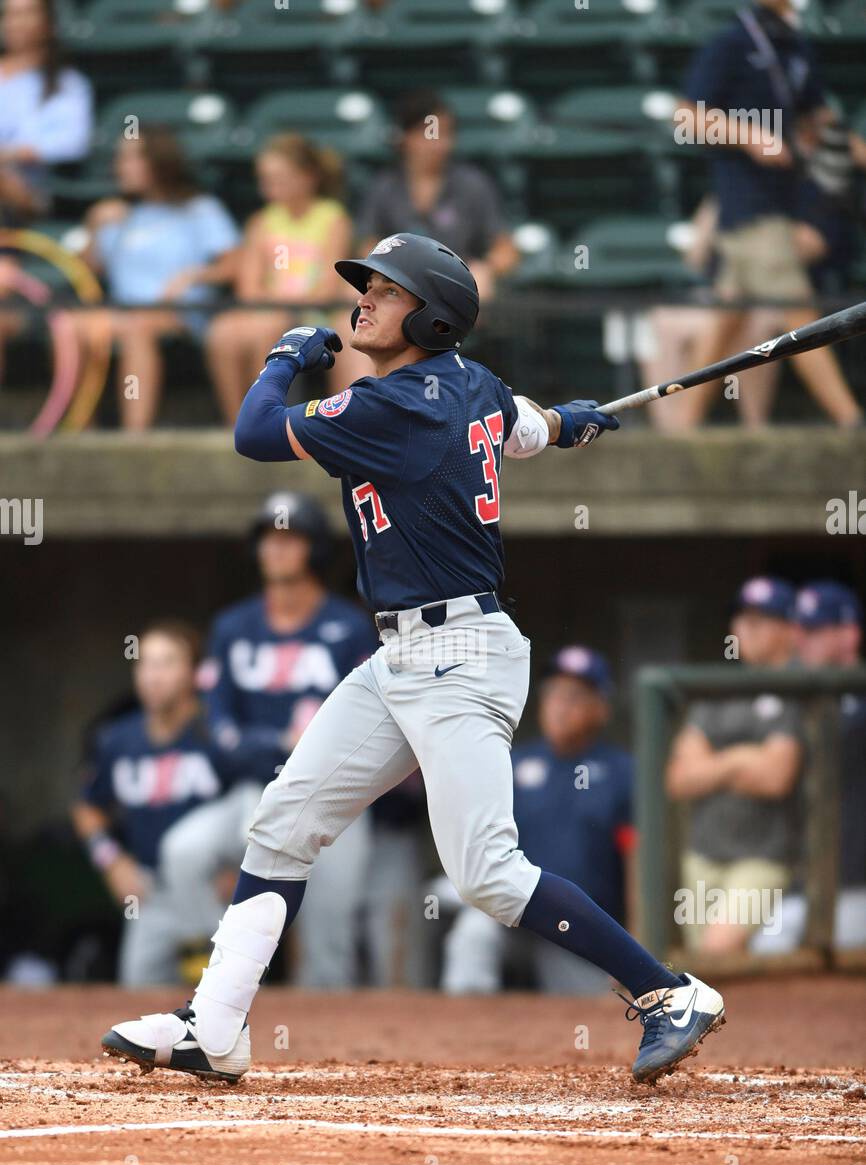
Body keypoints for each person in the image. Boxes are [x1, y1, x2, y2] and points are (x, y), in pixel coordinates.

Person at [102, 231, 725, 1087]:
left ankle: (668, 994)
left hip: (460, 654)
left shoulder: (391, 407)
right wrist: (570, 421)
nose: (363, 299)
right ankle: (214, 1026)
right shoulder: (474, 388)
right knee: (282, 825)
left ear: (431, 318)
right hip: (400, 654)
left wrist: (285, 357)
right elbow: (526, 426)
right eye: (366, 285)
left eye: (385, 291)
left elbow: (252, 433)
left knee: (488, 874)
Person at [160, 490, 378, 989]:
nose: (275, 550)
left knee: (329, 936)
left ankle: (335, 1050)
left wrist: (297, 744)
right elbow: (219, 734)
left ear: (315, 549)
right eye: (267, 539)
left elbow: (369, 727)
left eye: (290, 538)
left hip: (333, 798)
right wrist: (286, 739)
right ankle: (207, 987)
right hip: (252, 794)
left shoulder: (347, 627)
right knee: (183, 851)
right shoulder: (232, 627)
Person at [674, 0, 862, 428]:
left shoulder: (793, 43)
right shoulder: (732, 42)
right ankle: (852, 423)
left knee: (725, 320)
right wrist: (749, 135)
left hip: (783, 202)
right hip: (750, 210)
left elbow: (821, 121)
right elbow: (685, 116)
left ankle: (681, 430)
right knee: (798, 314)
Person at [442, 647, 634, 996]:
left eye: (575, 697)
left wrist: (635, 941)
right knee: (473, 934)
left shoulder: (623, 772)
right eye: (553, 694)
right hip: (512, 911)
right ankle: (460, 1034)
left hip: (581, 925)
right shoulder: (512, 761)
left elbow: (638, 860)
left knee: (594, 1010)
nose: (561, 705)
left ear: (601, 709)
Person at [71, 621, 235, 985]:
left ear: (196, 673)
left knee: (221, 998)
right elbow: (87, 808)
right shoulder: (117, 738)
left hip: (211, 892)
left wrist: (243, 872)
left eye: (167, 663)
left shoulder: (218, 732)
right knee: (139, 1000)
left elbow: (255, 804)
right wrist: (111, 861)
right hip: (151, 894)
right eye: (144, 663)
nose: (153, 676)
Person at [666, 577, 804, 953]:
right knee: (705, 967)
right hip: (704, 853)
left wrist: (712, 765)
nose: (745, 629)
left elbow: (776, 778)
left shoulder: (802, 687)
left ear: (790, 629)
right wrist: (742, 759)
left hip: (767, 856)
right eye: (743, 619)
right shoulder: (720, 690)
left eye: (761, 621)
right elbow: (679, 779)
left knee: (718, 949)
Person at [75, 126, 239, 430]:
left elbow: (234, 264)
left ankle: (135, 436)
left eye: (130, 158)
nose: (119, 167)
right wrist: (94, 227)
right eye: (119, 159)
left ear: (158, 161)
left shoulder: (199, 209)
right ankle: (79, 429)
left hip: (183, 315)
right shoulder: (118, 214)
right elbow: (86, 272)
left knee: (137, 327)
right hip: (121, 312)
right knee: (72, 325)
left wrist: (195, 275)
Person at [207, 134, 366, 422]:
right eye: (265, 179)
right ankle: (239, 423)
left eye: (278, 178)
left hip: (318, 314)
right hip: (269, 311)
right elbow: (249, 289)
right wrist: (276, 304)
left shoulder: (333, 219)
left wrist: (279, 304)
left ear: (307, 178)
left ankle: (275, 421)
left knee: (270, 329)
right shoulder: (261, 222)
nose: (268, 187)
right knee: (222, 332)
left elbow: (327, 288)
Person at [753, 580, 866, 953]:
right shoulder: (790, 698)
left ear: (849, 635)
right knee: (765, 952)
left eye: (814, 631)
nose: (801, 640)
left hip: (857, 883)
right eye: (798, 630)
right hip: (798, 879)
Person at [356, 90, 519, 302]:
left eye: (447, 133)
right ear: (405, 137)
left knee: (479, 282)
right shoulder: (384, 186)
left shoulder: (473, 184)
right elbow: (367, 243)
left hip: (456, 283)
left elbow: (505, 249)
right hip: (396, 282)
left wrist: (485, 268)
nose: (439, 143)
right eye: (429, 132)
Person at [0, 0, 92, 225]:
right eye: (10, 15)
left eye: (26, 14)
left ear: (48, 24)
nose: (16, 23)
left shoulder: (68, 84)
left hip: (33, 193)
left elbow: (72, 143)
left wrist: (14, 154)